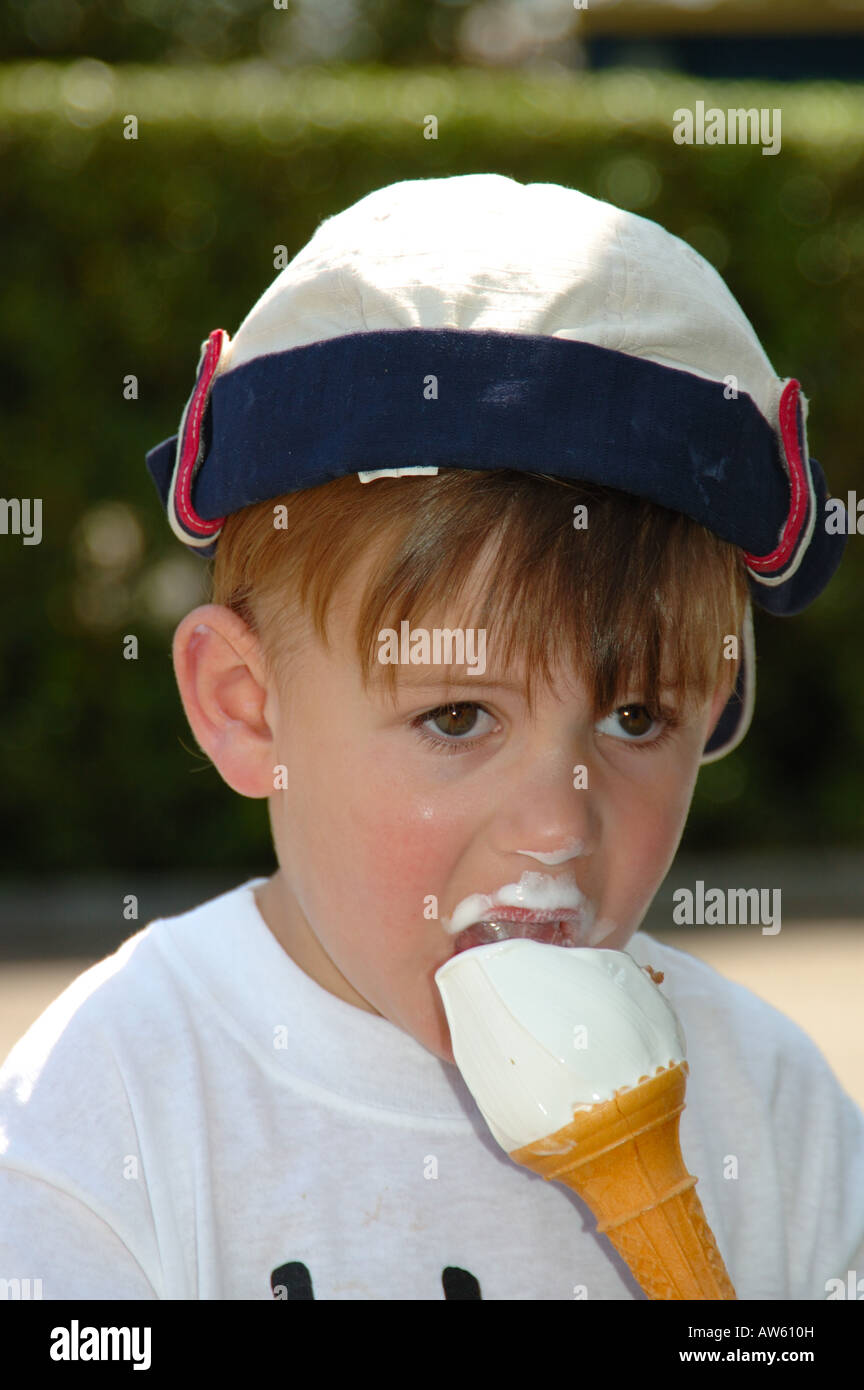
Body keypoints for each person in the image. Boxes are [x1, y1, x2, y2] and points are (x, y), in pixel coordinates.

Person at [1, 174, 861, 1300]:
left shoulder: (771, 1109)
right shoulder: (107, 1110)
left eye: (637, 716)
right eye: (457, 716)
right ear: (247, 706)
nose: (558, 824)